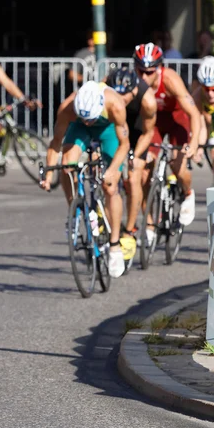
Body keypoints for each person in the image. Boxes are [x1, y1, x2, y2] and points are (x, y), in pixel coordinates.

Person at [41, 80, 131, 279]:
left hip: (108, 130)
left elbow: (124, 144)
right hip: (78, 128)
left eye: (91, 118)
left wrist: (113, 170)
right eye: (85, 117)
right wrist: (48, 174)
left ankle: (115, 245)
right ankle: (74, 210)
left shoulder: (115, 104)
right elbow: (56, 142)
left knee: (110, 186)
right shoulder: (68, 108)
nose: (89, 121)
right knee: (67, 164)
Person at [133, 42, 200, 227]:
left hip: (177, 119)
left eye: (150, 72)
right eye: (140, 71)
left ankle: (188, 194)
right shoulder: (131, 81)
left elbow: (194, 113)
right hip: (153, 123)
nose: (144, 77)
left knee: (178, 167)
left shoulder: (170, 80)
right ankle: (149, 222)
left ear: (159, 68)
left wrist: (194, 144)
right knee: (145, 172)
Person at [105, 67, 157, 254]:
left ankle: (129, 231)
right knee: (106, 174)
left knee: (134, 175)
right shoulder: (105, 87)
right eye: (116, 93)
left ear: (134, 91)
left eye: (124, 96)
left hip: (138, 131)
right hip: (115, 127)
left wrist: (135, 155)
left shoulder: (148, 100)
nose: (120, 98)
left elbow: (148, 132)